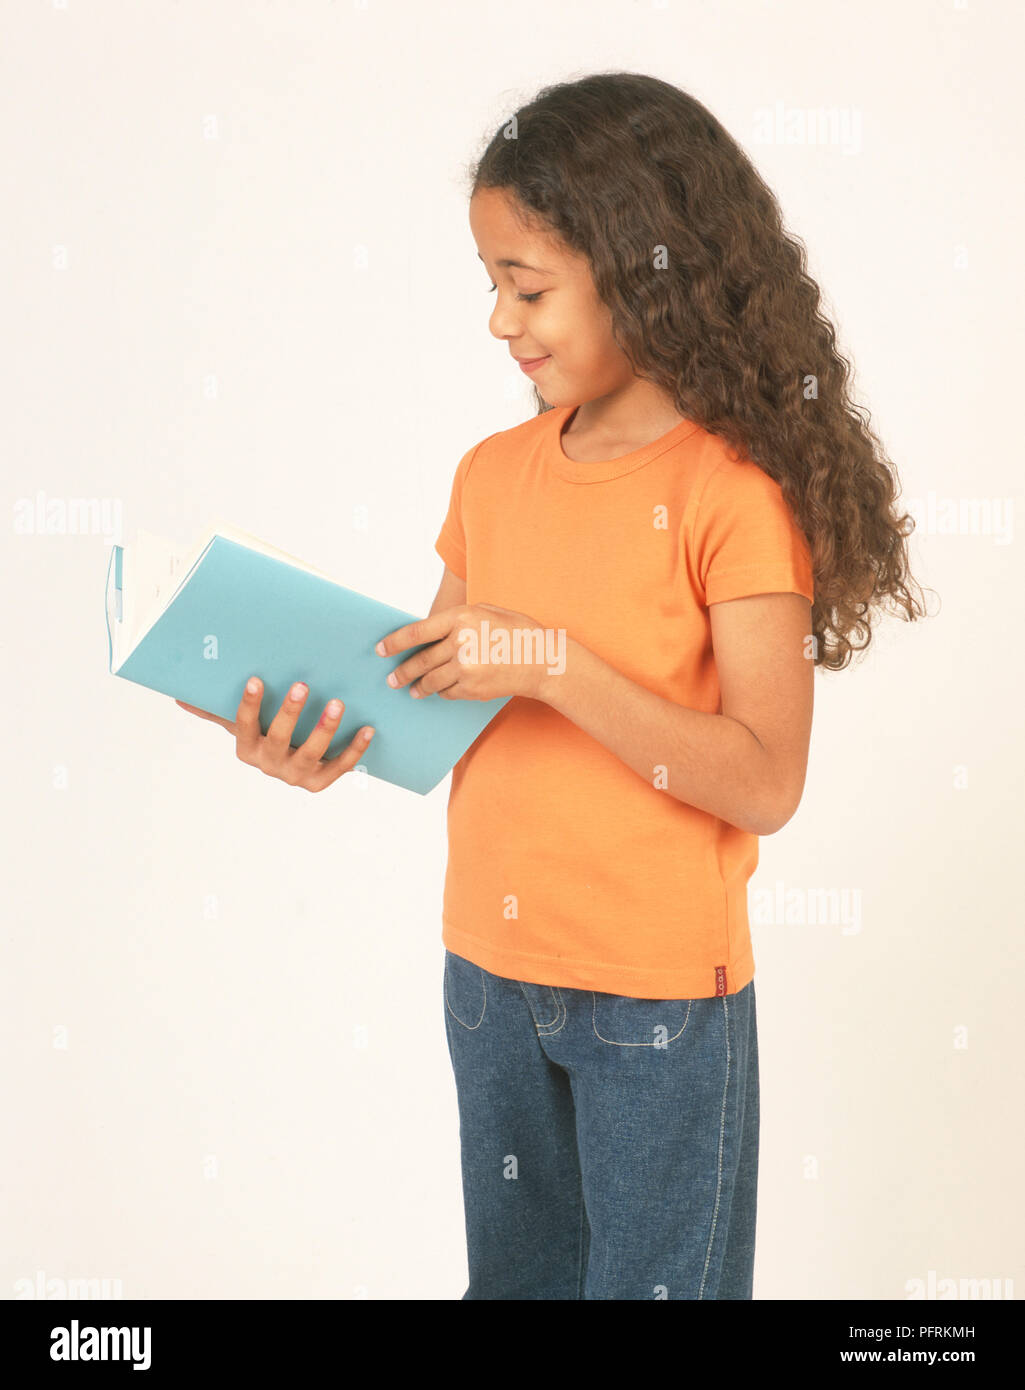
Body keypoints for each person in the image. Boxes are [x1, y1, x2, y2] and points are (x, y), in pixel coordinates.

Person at [179, 72, 925, 1299]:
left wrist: (557, 665)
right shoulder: (490, 475)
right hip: (487, 982)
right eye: (490, 286)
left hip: (657, 1005)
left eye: (526, 287)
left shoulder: (730, 494)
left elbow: (764, 778)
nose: (497, 321)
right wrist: (299, 729)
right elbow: (432, 698)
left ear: (647, 272)